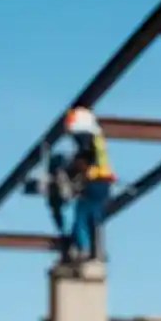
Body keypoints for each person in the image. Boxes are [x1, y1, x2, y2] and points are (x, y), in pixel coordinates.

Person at [64, 106, 115, 261]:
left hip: (95, 182)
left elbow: (84, 159)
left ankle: (84, 249)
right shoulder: (98, 138)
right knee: (94, 217)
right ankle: (96, 251)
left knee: (82, 216)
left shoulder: (87, 139)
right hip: (103, 183)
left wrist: (71, 171)